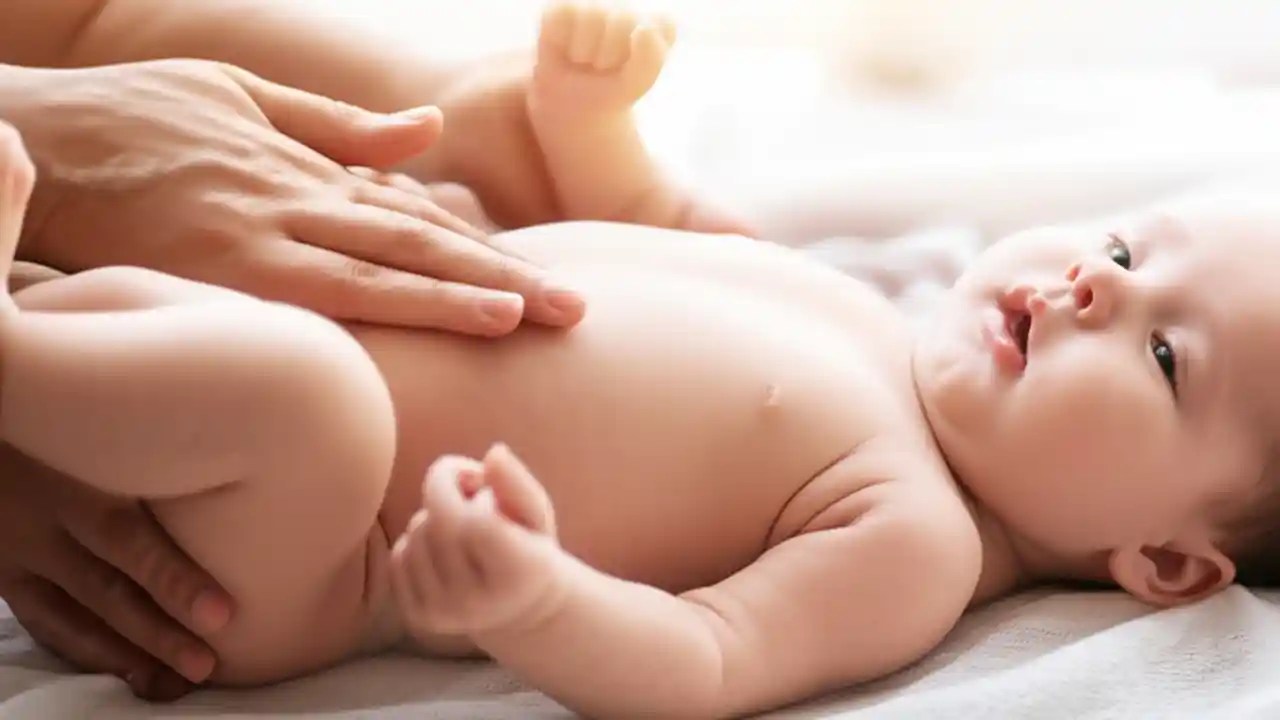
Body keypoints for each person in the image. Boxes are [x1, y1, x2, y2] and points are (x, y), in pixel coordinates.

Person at [10, 2, 1277, 717]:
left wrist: (531, 597)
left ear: (1163, 563)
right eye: (1123, 244)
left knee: (314, 399)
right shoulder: (861, 304)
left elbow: (707, 659)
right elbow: (646, 215)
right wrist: (584, 116)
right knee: (407, 215)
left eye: (1163, 353)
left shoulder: (915, 539)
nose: (1095, 283)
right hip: (213, 339)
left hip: (304, 535)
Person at [0, 0, 604, 700]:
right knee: (316, 395)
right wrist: (45, 127)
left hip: (311, 546)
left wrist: (426, 103)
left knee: (316, 396)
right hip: (262, 417)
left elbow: (88, 22)